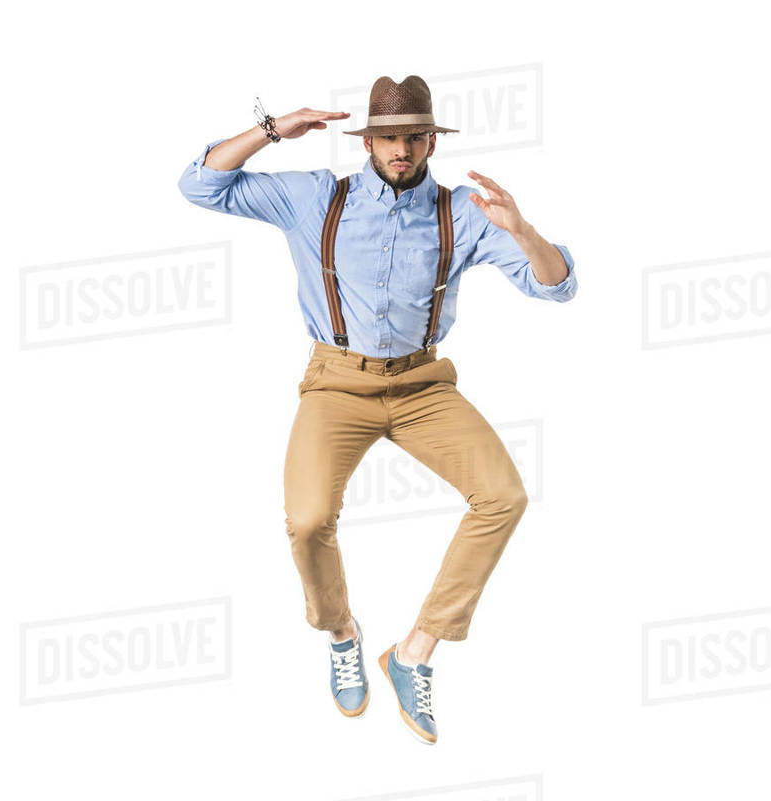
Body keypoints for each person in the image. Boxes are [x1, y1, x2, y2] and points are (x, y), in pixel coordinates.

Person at [177, 75, 578, 745]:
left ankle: (414, 651)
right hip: (336, 383)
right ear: (367, 141)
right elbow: (199, 185)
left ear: (431, 142)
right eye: (389, 137)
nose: (401, 149)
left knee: (504, 496)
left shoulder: (463, 211)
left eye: (414, 136)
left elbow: (558, 287)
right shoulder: (316, 198)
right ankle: (341, 631)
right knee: (308, 519)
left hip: (423, 386)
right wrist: (273, 131)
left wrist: (523, 229)